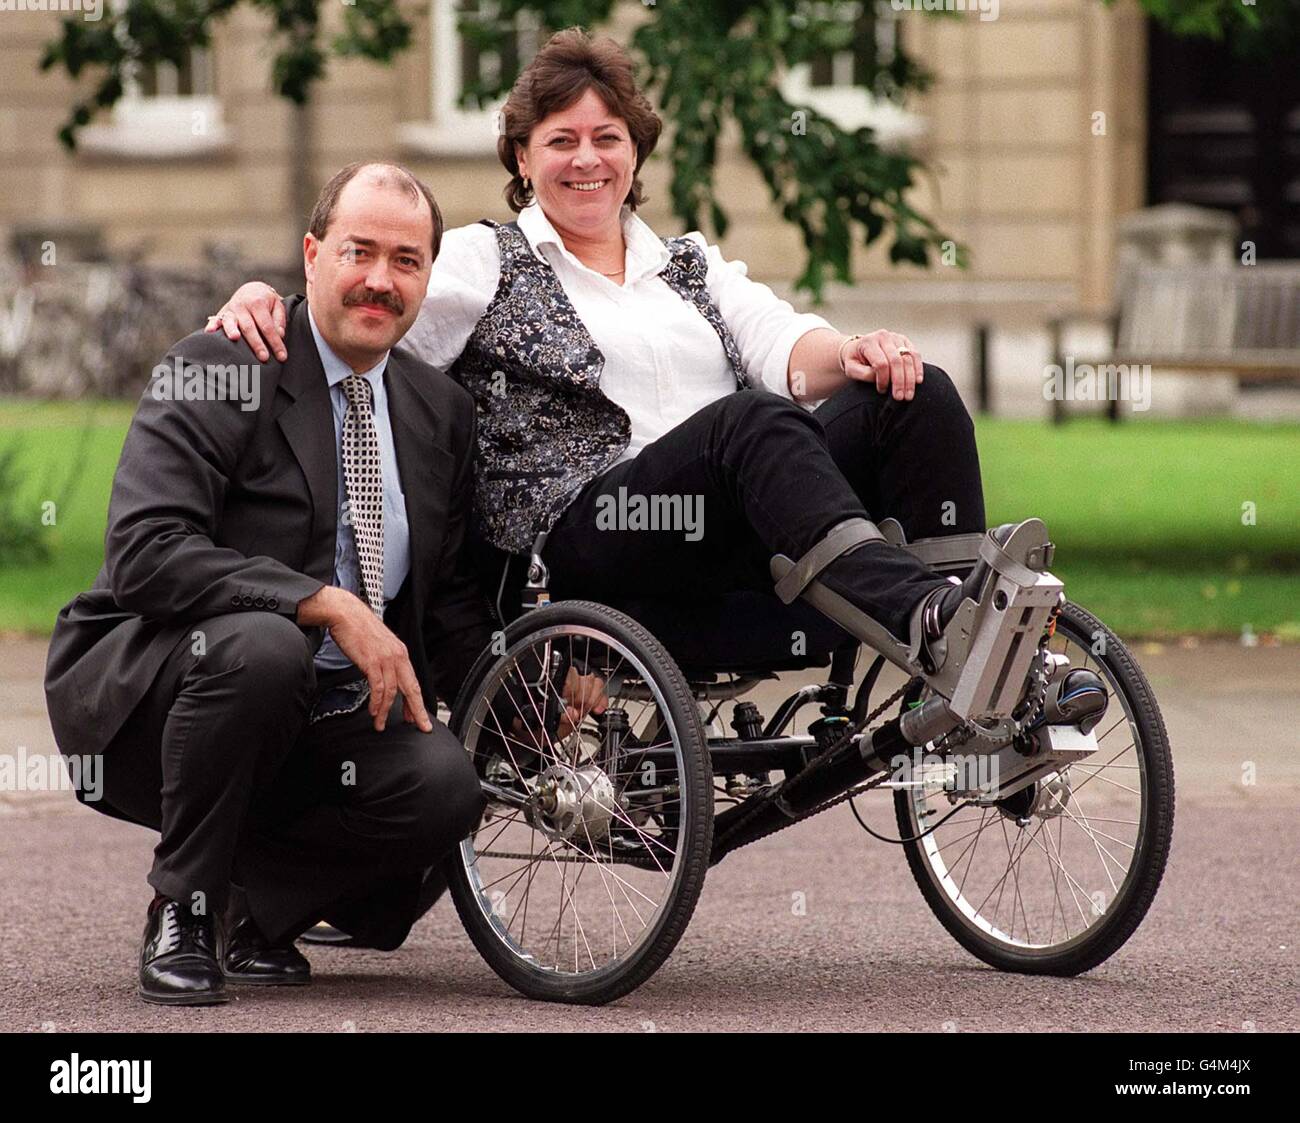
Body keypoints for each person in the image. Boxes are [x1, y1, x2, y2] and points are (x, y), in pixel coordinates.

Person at [208, 28, 986, 678]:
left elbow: (782, 342)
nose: (588, 159)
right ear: (522, 159)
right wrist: (271, 303)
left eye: (607, 138)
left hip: (729, 516)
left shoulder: (687, 263)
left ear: (635, 155)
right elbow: (367, 317)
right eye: (562, 141)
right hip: (586, 538)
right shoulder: (488, 259)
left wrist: (859, 351)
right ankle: (914, 610)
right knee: (750, 422)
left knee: (916, 392)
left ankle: (973, 655)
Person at [46, 162, 506, 1007]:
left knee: (449, 784)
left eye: (406, 260)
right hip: (158, 693)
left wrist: (537, 702)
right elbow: (146, 551)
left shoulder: (440, 412)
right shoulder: (223, 363)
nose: (380, 279)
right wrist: (321, 601)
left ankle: (254, 911)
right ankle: (182, 905)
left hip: (323, 726)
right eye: (358, 251)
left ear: (427, 277)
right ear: (311, 255)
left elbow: (446, 607)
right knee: (267, 645)